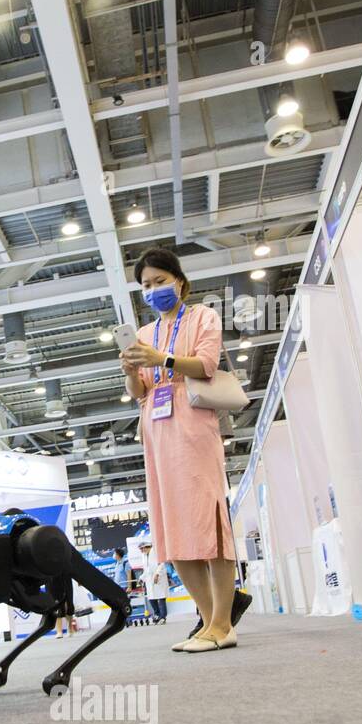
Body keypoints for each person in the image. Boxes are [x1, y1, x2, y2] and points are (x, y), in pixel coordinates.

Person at [120, 247, 246, 653]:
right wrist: (129, 372)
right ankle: (210, 622)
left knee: (208, 522)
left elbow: (207, 365)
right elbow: (139, 391)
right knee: (172, 530)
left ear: (179, 281)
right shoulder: (142, 334)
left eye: (160, 281)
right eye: (146, 285)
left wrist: (164, 358)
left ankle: (223, 624)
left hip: (194, 427)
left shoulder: (203, 317)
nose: (154, 290)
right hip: (155, 434)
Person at [141, 541, 169, 624]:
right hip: (149, 580)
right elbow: (146, 569)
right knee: (151, 598)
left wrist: (157, 574)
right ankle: (157, 614)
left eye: (142, 548)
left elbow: (162, 564)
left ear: (147, 547)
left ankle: (163, 617)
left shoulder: (156, 552)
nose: (141, 550)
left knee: (161, 598)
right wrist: (141, 577)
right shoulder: (144, 556)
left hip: (159, 578)